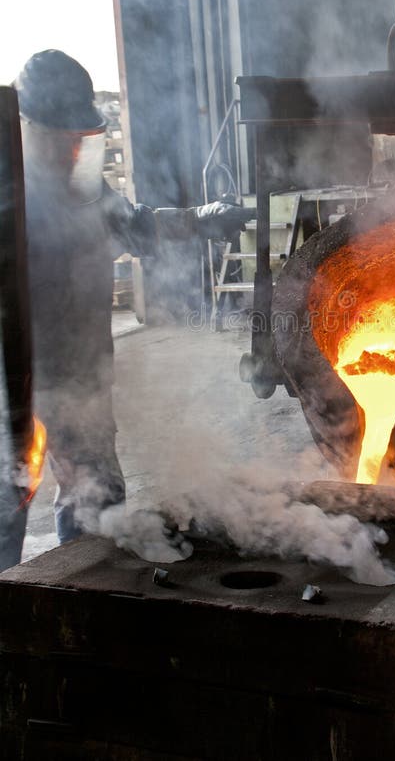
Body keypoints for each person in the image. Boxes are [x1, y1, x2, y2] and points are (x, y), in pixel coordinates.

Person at [0, 49, 253, 570]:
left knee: (98, 501)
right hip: (14, 382)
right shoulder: (9, 196)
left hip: (81, 376)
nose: (74, 150)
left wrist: (200, 219)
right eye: (63, 139)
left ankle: (86, 587)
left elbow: (136, 225)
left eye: (80, 138)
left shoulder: (83, 188)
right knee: (8, 504)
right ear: (29, 128)